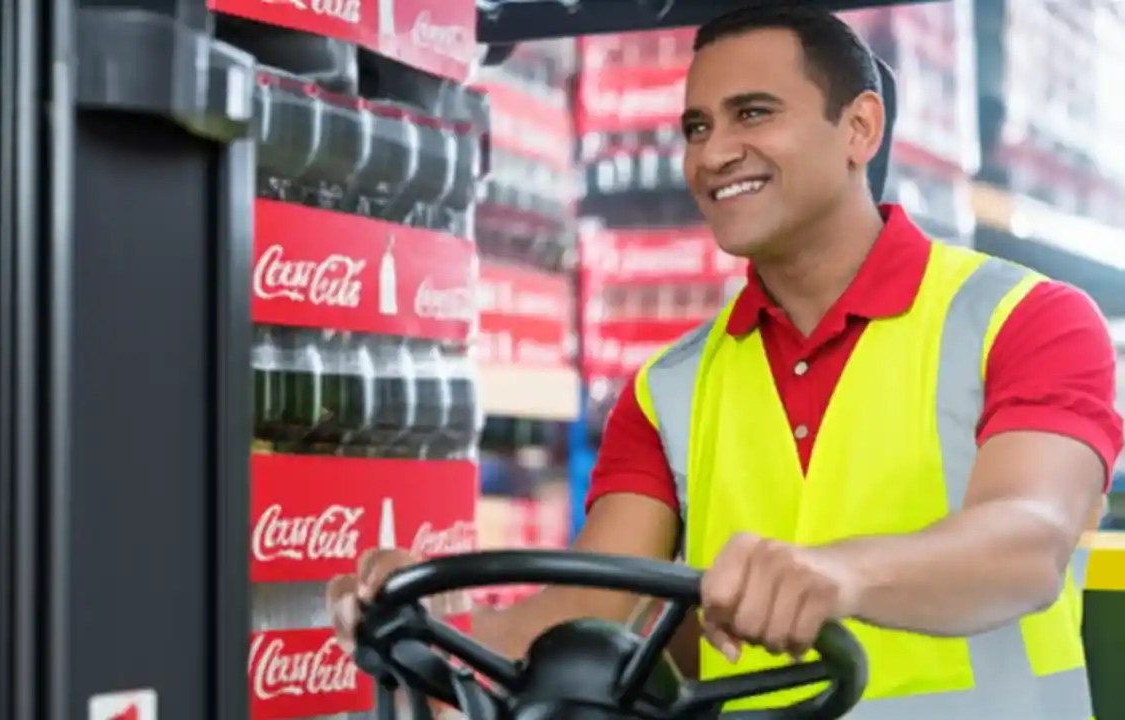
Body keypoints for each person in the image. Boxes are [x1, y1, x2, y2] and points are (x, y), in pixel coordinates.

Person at [327, 4, 1123, 717]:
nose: (714, 154)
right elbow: (591, 609)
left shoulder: (1024, 319)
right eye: (697, 127)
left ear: (859, 128)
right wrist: (430, 623)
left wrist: (838, 576)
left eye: (754, 114)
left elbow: (1028, 541)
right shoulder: (666, 389)